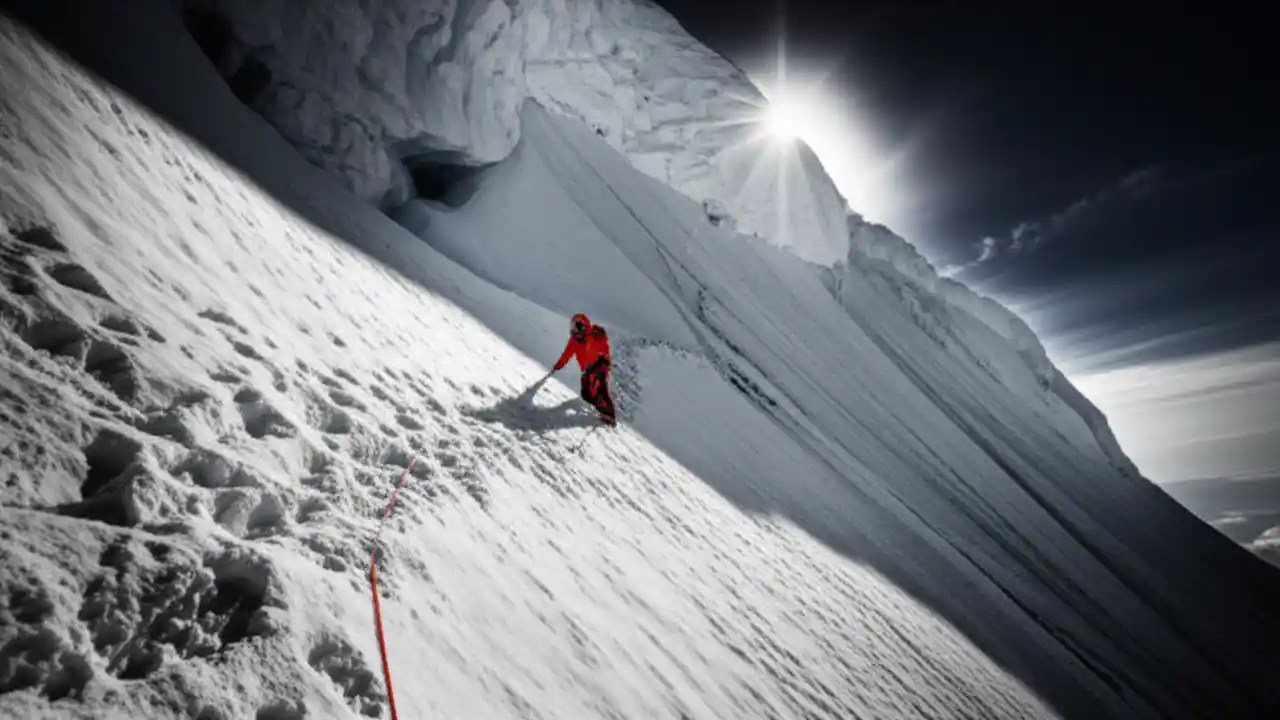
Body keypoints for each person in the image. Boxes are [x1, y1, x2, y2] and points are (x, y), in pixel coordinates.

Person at [551, 313, 616, 425]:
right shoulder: (574, 341)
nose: (575, 330)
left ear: (584, 327)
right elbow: (567, 355)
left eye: (577, 327)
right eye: (573, 327)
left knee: (598, 386)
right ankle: (600, 408)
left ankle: (608, 413)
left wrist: (603, 358)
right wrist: (558, 366)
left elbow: (604, 347)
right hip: (587, 368)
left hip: (600, 363)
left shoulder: (594, 334)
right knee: (586, 393)